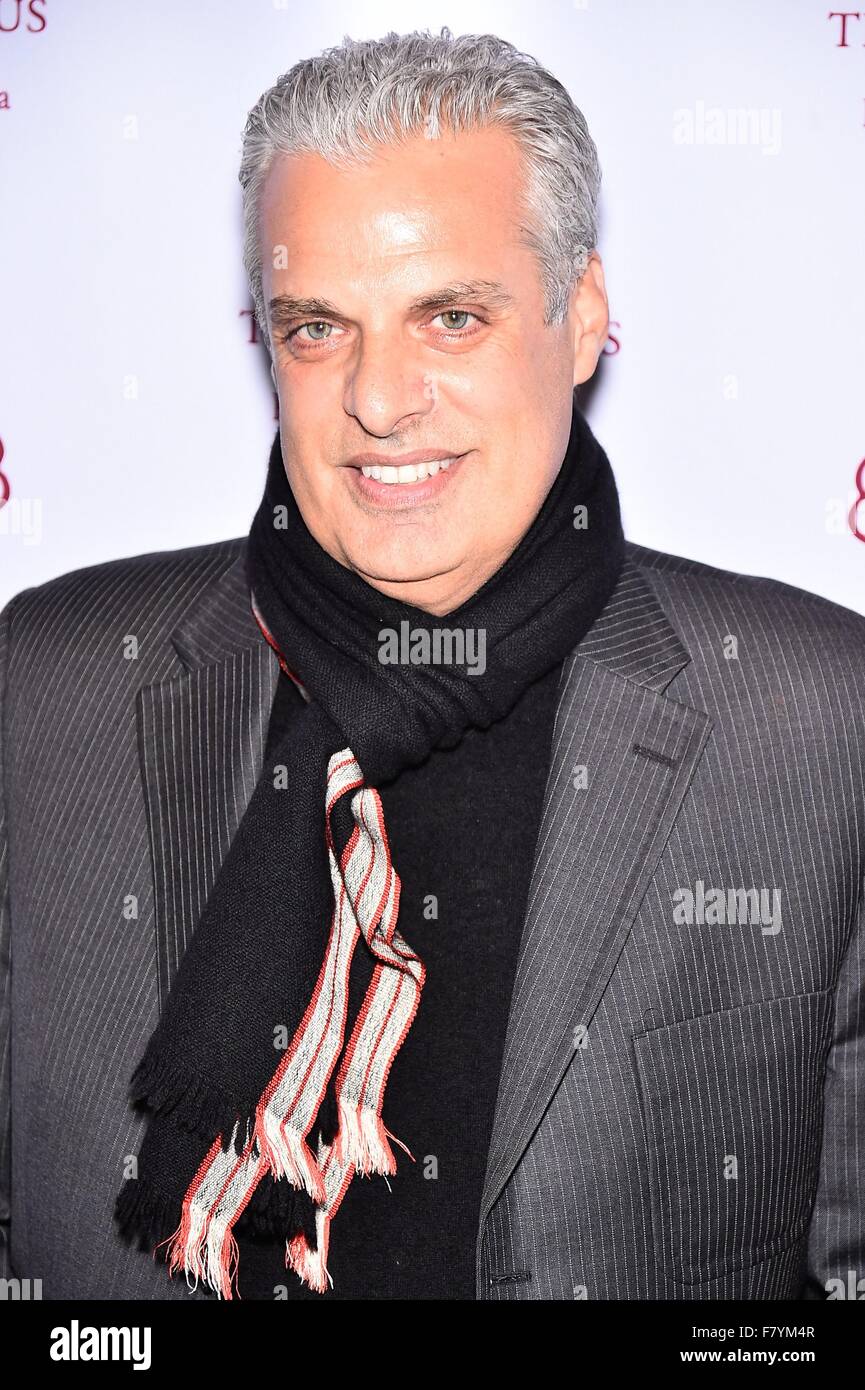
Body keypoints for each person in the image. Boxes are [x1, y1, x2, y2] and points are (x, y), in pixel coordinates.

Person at [1, 27, 862, 1303]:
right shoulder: (45, 693)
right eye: (315, 328)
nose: (379, 397)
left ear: (581, 318)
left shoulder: (816, 723)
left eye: (449, 316)